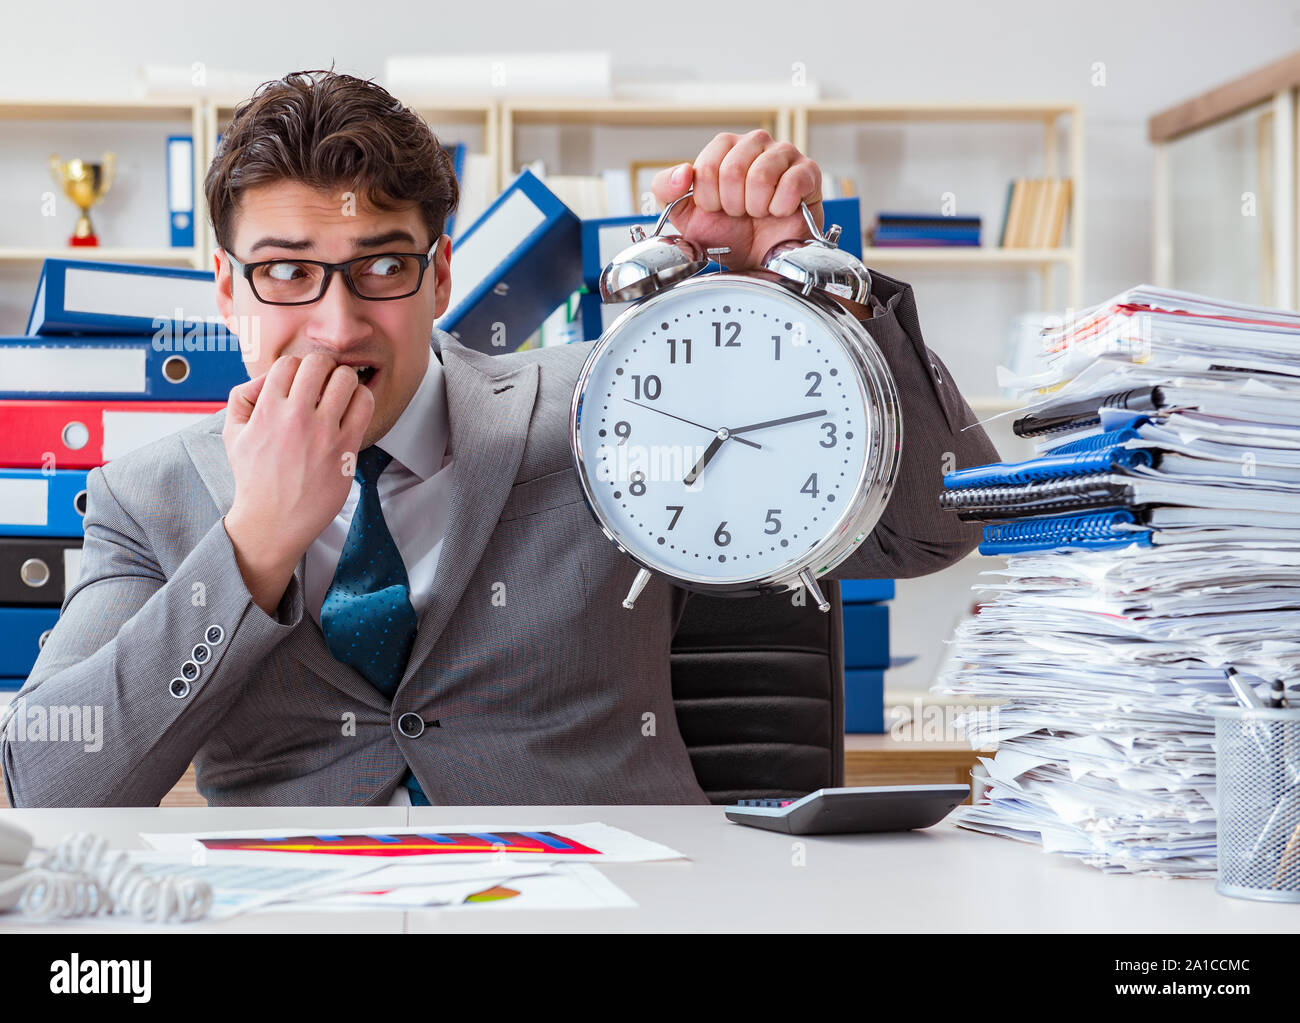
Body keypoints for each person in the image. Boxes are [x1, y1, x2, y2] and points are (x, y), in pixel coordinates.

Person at [1, 70, 999, 807]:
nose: (338, 324)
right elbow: (47, 788)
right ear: (226, 293)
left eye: (380, 268)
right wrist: (253, 544)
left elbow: (935, 527)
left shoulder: (607, 406)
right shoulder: (149, 495)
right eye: (287, 273)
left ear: (439, 277)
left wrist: (818, 297)